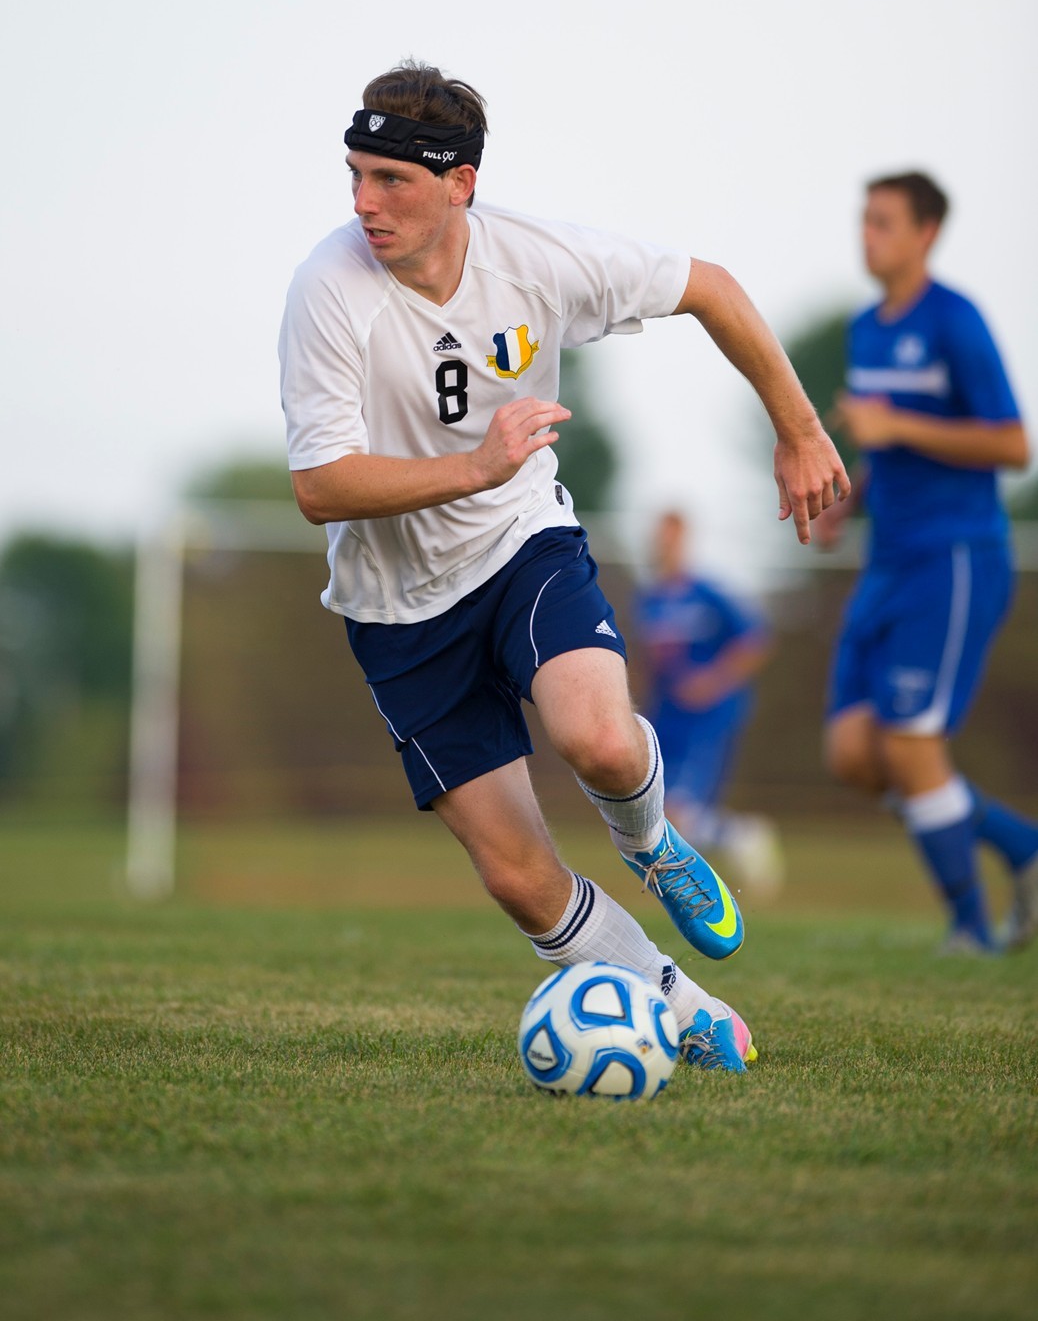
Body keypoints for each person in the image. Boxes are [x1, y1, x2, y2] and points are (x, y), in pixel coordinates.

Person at [279, 61, 849, 1074]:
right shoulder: (328, 291)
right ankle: (680, 1002)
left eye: (392, 180)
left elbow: (710, 286)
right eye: (355, 174)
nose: (363, 202)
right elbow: (320, 485)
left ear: (460, 184)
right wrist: (473, 463)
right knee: (516, 876)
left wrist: (800, 431)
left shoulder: (537, 261)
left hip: (519, 545)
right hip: (397, 609)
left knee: (601, 742)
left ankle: (652, 842)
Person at [817, 170, 1037, 954]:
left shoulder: (956, 321)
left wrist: (897, 424)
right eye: (864, 219)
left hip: (955, 559)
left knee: (912, 746)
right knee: (854, 753)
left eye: (883, 221)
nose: (867, 234)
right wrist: (851, 499)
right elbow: (884, 442)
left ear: (926, 234)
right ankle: (1021, 845)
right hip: (889, 563)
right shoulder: (866, 328)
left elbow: (1013, 445)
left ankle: (971, 930)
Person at [634, 511, 782, 897]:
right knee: (660, 807)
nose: (662, 544)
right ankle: (736, 836)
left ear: (684, 539)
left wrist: (713, 681)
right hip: (666, 717)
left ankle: (726, 852)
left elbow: (755, 640)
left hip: (707, 717)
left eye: (671, 536)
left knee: (677, 811)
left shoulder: (708, 593)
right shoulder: (649, 599)